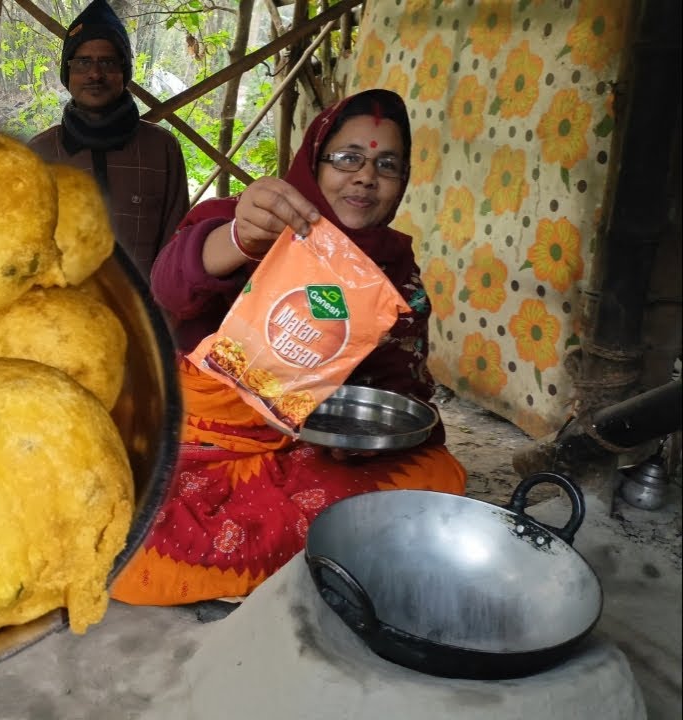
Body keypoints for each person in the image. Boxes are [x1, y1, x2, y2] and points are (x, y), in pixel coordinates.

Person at [110, 88, 467, 606]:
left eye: (387, 165)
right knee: (127, 527)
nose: (366, 176)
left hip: (309, 446)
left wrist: (368, 438)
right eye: (348, 158)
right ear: (314, 162)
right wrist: (240, 240)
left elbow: (401, 390)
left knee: (437, 475)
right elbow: (170, 288)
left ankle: (274, 556)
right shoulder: (252, 221)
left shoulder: (395, 274)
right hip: (205, 436)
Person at [28, 0, 189, 280]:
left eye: (107, 62)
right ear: (68, 73)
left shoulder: (161, 149)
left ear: (123, 72)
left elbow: (177, 245)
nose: (95, 74)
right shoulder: (40, 153)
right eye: (83, 62)